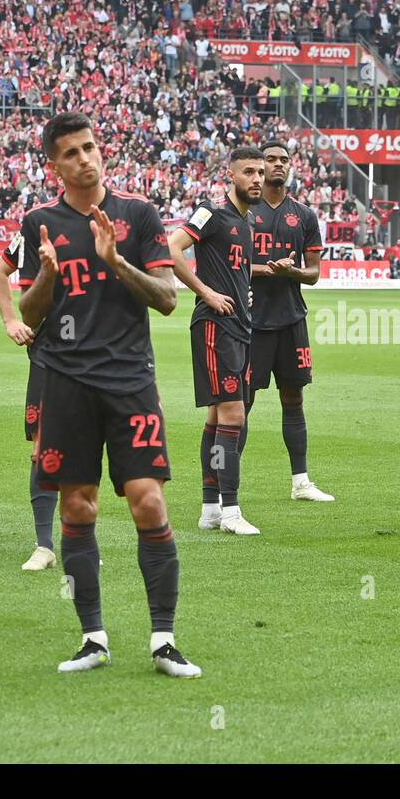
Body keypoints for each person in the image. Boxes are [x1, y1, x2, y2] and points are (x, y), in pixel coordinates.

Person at [16, 111, 199, 676]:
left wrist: (114, 260)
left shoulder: (137, 214)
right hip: (66, 382)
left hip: (129, 381)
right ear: (55, 166)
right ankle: (93, 637)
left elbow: (168, 298)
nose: (85, 158)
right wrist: (47, 274)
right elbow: (28, 312)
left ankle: (163, 639)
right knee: (77, 505)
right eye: (71, 153)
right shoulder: (39, 223)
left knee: (148, 499)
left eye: (90, 147)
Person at [170, 147, 262, 535]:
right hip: (214, 326)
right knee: (234, 417)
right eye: (249, 172)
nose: (257, 178)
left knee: (216, 417)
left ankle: (210, 508)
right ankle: (231, 510)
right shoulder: (211, 212)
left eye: (260, 172)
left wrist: (245, 292)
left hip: (240, 326)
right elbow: (172, 248)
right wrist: (206, 292)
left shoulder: (249, 222)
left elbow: (235, 269)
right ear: (231, 175)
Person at [241, 140, 335, 502]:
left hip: (291, 318)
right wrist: (268, 268)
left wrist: (292, 270)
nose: (278, 165)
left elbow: (313, 274)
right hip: (250, 320)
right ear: (260, 167)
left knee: (293, 399)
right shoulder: (245, 211)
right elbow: (232, 264)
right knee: (242, 403)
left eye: (283, 160)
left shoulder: (305, 216)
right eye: (270, 160)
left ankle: (301, 483)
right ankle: (224, 489)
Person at [0, 222, 56, 571]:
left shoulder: (108, 221)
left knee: (86, 447)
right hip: (49, 352)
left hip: (95, 351)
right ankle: (44, 545)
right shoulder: (39, 225)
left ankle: (80, 540)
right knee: (42, 449)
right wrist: (9, 320)